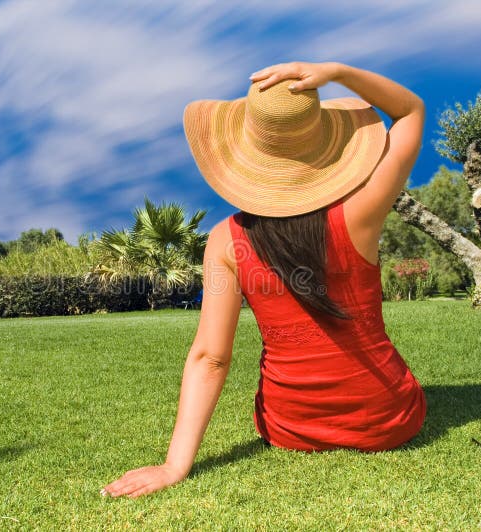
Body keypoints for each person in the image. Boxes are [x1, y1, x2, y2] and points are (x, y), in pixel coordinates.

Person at [101, 61, 427, 499]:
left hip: (290, 429)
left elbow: (210, 359)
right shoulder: (362, 211)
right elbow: (410, 112)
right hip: (385, 422)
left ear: (247, 153)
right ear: (324, 143)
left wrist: (174, 465)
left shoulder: (224, 242)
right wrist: (335, 72)